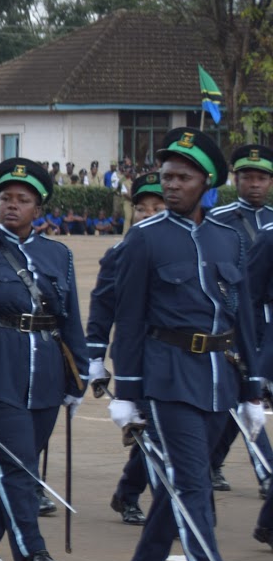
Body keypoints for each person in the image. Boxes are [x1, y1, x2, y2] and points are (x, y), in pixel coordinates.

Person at [110, 128, 255, 561]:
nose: (171, 185)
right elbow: (128, 321)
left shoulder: (229, 239)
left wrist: (254, 387)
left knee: (182, 483)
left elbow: (244, 319)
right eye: (167, 176)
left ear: (207, 182)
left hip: (221, 376)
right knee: (194, 483)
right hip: (167, 377)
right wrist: (125, 393)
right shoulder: (145, 239)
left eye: (183, 177)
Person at [0, 159, 87, 561]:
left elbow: (71, 320)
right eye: (5, 198)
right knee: (19, 463)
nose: (12, 206)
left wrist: (78, 376)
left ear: (39, 207)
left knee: (16, 462)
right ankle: (33, 550)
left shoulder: (57, 255)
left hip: (45, 370)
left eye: (22, 199)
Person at [86, 173, 164, 525]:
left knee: (160, 430)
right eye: (142, 208)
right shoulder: (120, 252)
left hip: (179, 356)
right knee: (154, 429)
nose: (148, 214)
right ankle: (155, 502)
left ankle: (127, 492)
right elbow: (103, 307)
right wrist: (95, 361)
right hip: (139, 354)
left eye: (157, 207)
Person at [204, 143, 273, 493]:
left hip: (269, 325)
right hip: (235, 321)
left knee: (244, 396)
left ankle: (212, 461)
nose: (255, 184)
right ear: (236, 178)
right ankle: (267, 475)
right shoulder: (219, 219)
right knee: (248, 392)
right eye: (248, 177)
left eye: (262, 177)